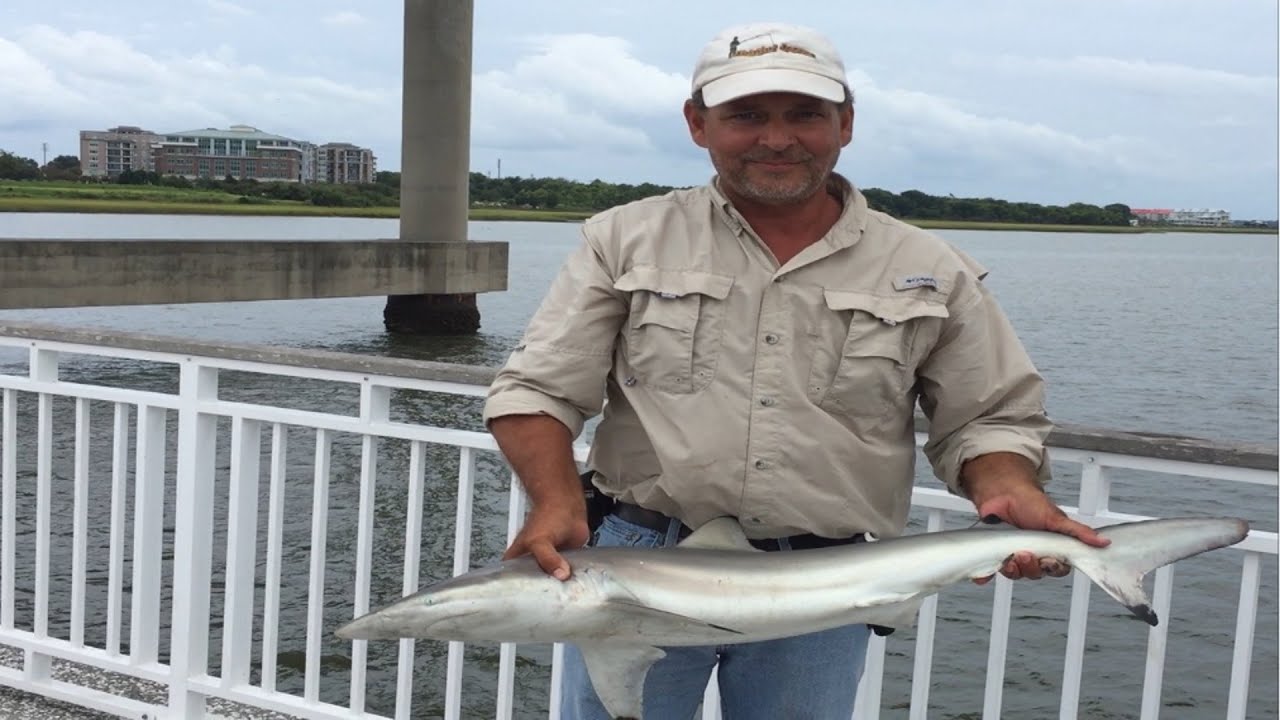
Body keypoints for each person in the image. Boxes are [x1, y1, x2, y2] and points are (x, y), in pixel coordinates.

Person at [482, 21, 1108, 720]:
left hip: (827, 578)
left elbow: (987, 417)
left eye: (805, 114)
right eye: (746, 115)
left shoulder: (931, 268)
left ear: (845, 123)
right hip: (638, 564)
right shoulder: (624, 239)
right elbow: (538, 388)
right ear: (698, 124)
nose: (777, 139)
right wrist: (555, 502)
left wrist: (1008, 487)